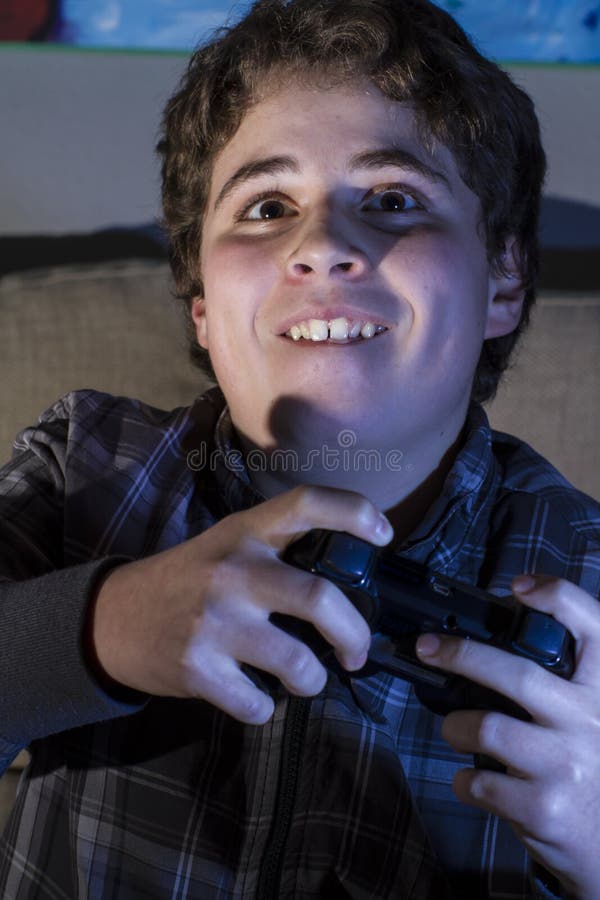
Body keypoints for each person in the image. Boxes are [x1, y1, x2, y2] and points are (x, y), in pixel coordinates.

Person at [0, 0, 598, 897]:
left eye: (393, 199)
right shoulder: (82, 463)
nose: (320, 246)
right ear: (201, 303)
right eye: (267, 205)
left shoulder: (586, 571)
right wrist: (104, 629)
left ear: (504, 279)